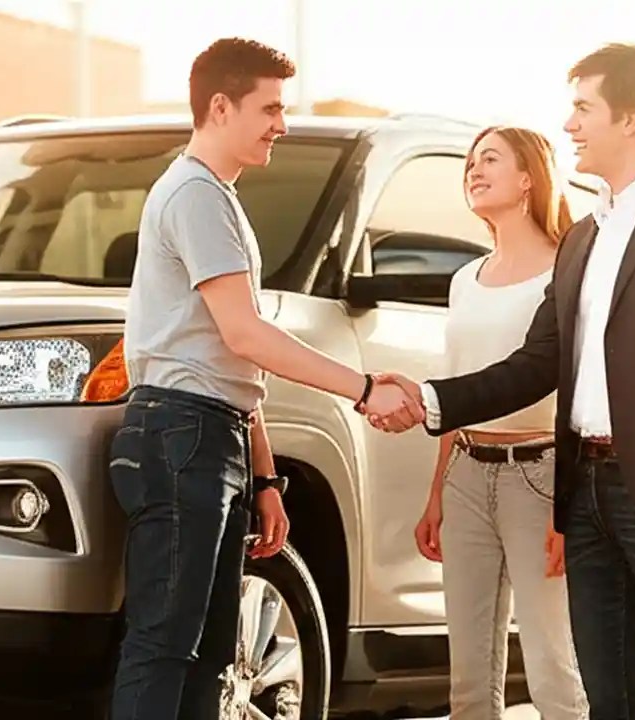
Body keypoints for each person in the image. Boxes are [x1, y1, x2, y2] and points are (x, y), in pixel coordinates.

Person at [373, 43, 635, 720]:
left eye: (584, 108)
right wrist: (432, 400)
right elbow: (536, 362)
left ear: (631, 119)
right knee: (609, 694)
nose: (571, 124)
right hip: (585, 494)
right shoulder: (583, 237)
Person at [109, 37, 419, 720]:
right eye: (270, 107)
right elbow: (245, 334)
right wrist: (363, 390)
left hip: (209, 435)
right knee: (165, 644)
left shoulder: (214, 197)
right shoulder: (194, 194)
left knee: (210, 650)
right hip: (180, 435)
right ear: (220, 107)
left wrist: (267, 477)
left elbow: (232, 362)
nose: (282, 124)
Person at [414, 126, 588, 720]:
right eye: (469, 160)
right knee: (468, 678)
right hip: (465, 474)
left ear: (527, 179)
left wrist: (567, 508)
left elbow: (573, 392)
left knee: (552, 670)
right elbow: (458, 386)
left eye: (490, 158)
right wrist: (438, 492)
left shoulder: (566, 272)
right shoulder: (466, 279)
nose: (473, 169)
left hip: (538, 477)